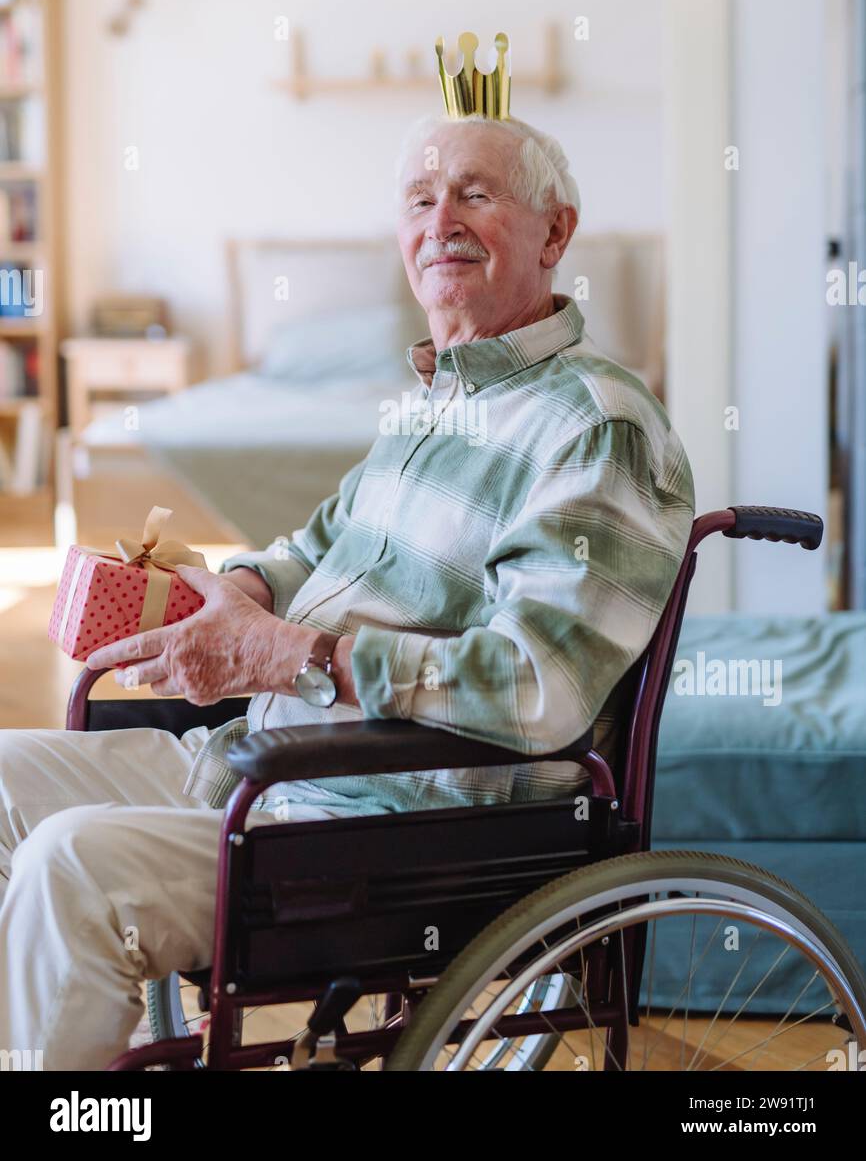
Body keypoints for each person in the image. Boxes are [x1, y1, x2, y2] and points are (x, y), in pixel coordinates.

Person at [0, 103, 694, 1069]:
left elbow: (539, 689)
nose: (440, 219)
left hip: (392, 829)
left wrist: (297, 656)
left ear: (555, 232)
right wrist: (236, 589)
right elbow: (314, 546)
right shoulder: (431, 405)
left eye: (475, 194)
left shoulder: (596, 424)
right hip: (264, 772)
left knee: (68, 866)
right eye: (420, 198)